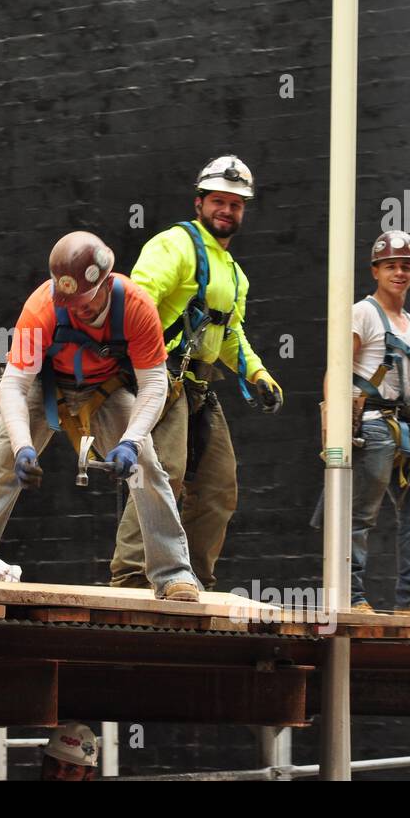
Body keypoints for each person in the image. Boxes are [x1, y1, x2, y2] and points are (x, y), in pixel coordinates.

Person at [0, 231, 201, 601]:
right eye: (69, 303)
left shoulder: (136, 306)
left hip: (104, 390)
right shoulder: (42, 305)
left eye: (86, 303)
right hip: (47, 385)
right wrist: (24, 447)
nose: (77, 310)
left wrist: (130, 443)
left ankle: (173, 575)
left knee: (148, 469)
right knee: (3, 462)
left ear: (106, 283)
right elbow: (14, 383)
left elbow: (153, 384)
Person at [109, 155, 283, 591]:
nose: (227, 210)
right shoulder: (176, 245)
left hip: (201, 385)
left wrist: (258, 374)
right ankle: (131, 577)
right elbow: (137, 302)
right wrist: (143, 372)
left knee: (219, 487)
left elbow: (229, 334)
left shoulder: (234, 273)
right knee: (159, 473)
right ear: (199, 202)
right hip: (163, 376)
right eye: (219, 201)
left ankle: (195, 579)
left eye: (236, 204)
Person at [314, 230, 410, 615]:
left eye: (406, 266)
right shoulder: (362, 313)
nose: (399, 272)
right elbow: (336, 370)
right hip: (370, 427)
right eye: (391, 266)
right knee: (359, 517)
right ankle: (352, 599)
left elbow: (408, 385)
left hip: (406, 429)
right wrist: (331, 427)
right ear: (376, 270)